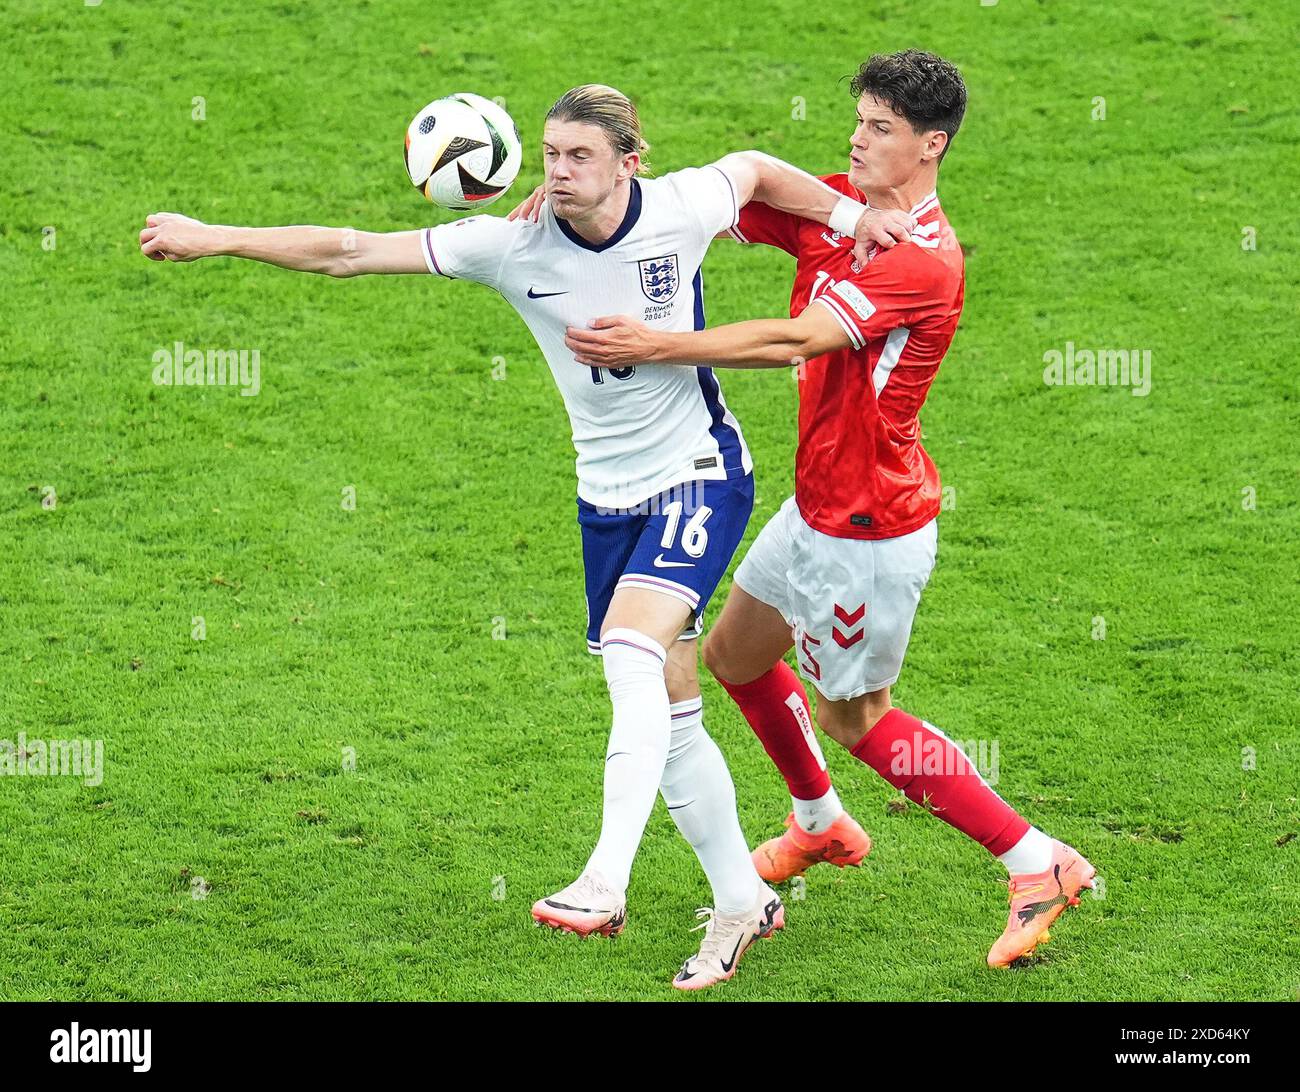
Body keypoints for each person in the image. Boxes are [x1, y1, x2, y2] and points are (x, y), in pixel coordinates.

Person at [138, 83, 914, 986]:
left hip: (702, 474)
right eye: (550, 154)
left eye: (579, 155)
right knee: (671, 711)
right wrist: (217, 236)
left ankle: (604, 878)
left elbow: (757, 173)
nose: (558, 170)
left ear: (631, 161)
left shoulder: (676, 208)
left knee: (630, 651)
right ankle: (741, 902)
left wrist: (854, 214)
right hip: (605, 500)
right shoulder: (508, 244)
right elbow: (348, 251)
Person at [566, 53, 1096, 968]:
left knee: (858, 718)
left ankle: (1034, 859)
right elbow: (717, 199)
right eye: (859, 119)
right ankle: (819, 824)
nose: (857, 137)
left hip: (871, 530)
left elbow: (794, 340)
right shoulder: (840, 215)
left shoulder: (924, 260)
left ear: (931, 146)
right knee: (733, 656)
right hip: (814, 509)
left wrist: (659, 344)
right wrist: (581, 194)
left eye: (881, 128)